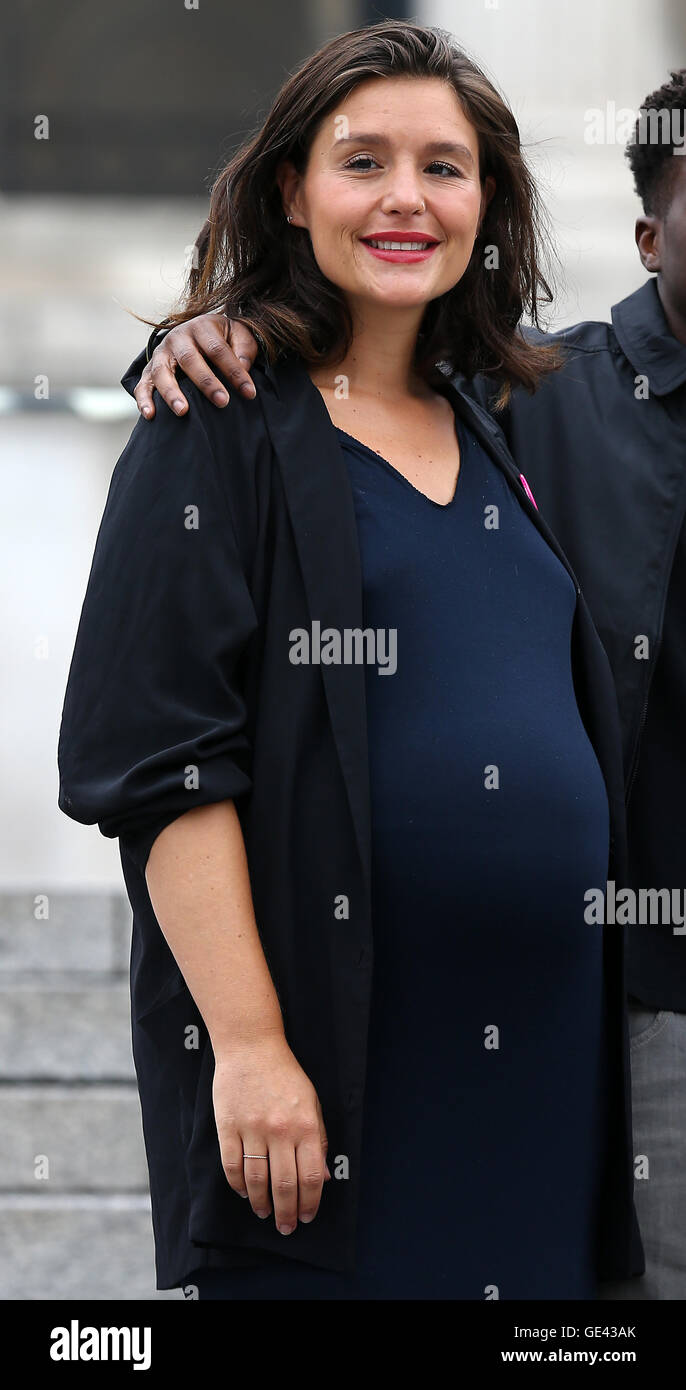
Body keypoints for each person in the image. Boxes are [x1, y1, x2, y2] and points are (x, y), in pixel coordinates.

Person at [58, 20, 643, 1300]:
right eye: (360, 160)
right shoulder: (210, 422)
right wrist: (252, 1048)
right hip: (340, 1091)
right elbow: (158, 765)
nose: (403, 199)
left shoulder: (491, 423)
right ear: (290, 188)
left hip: (538, 1093)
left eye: (444, 167)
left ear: (485, 202)